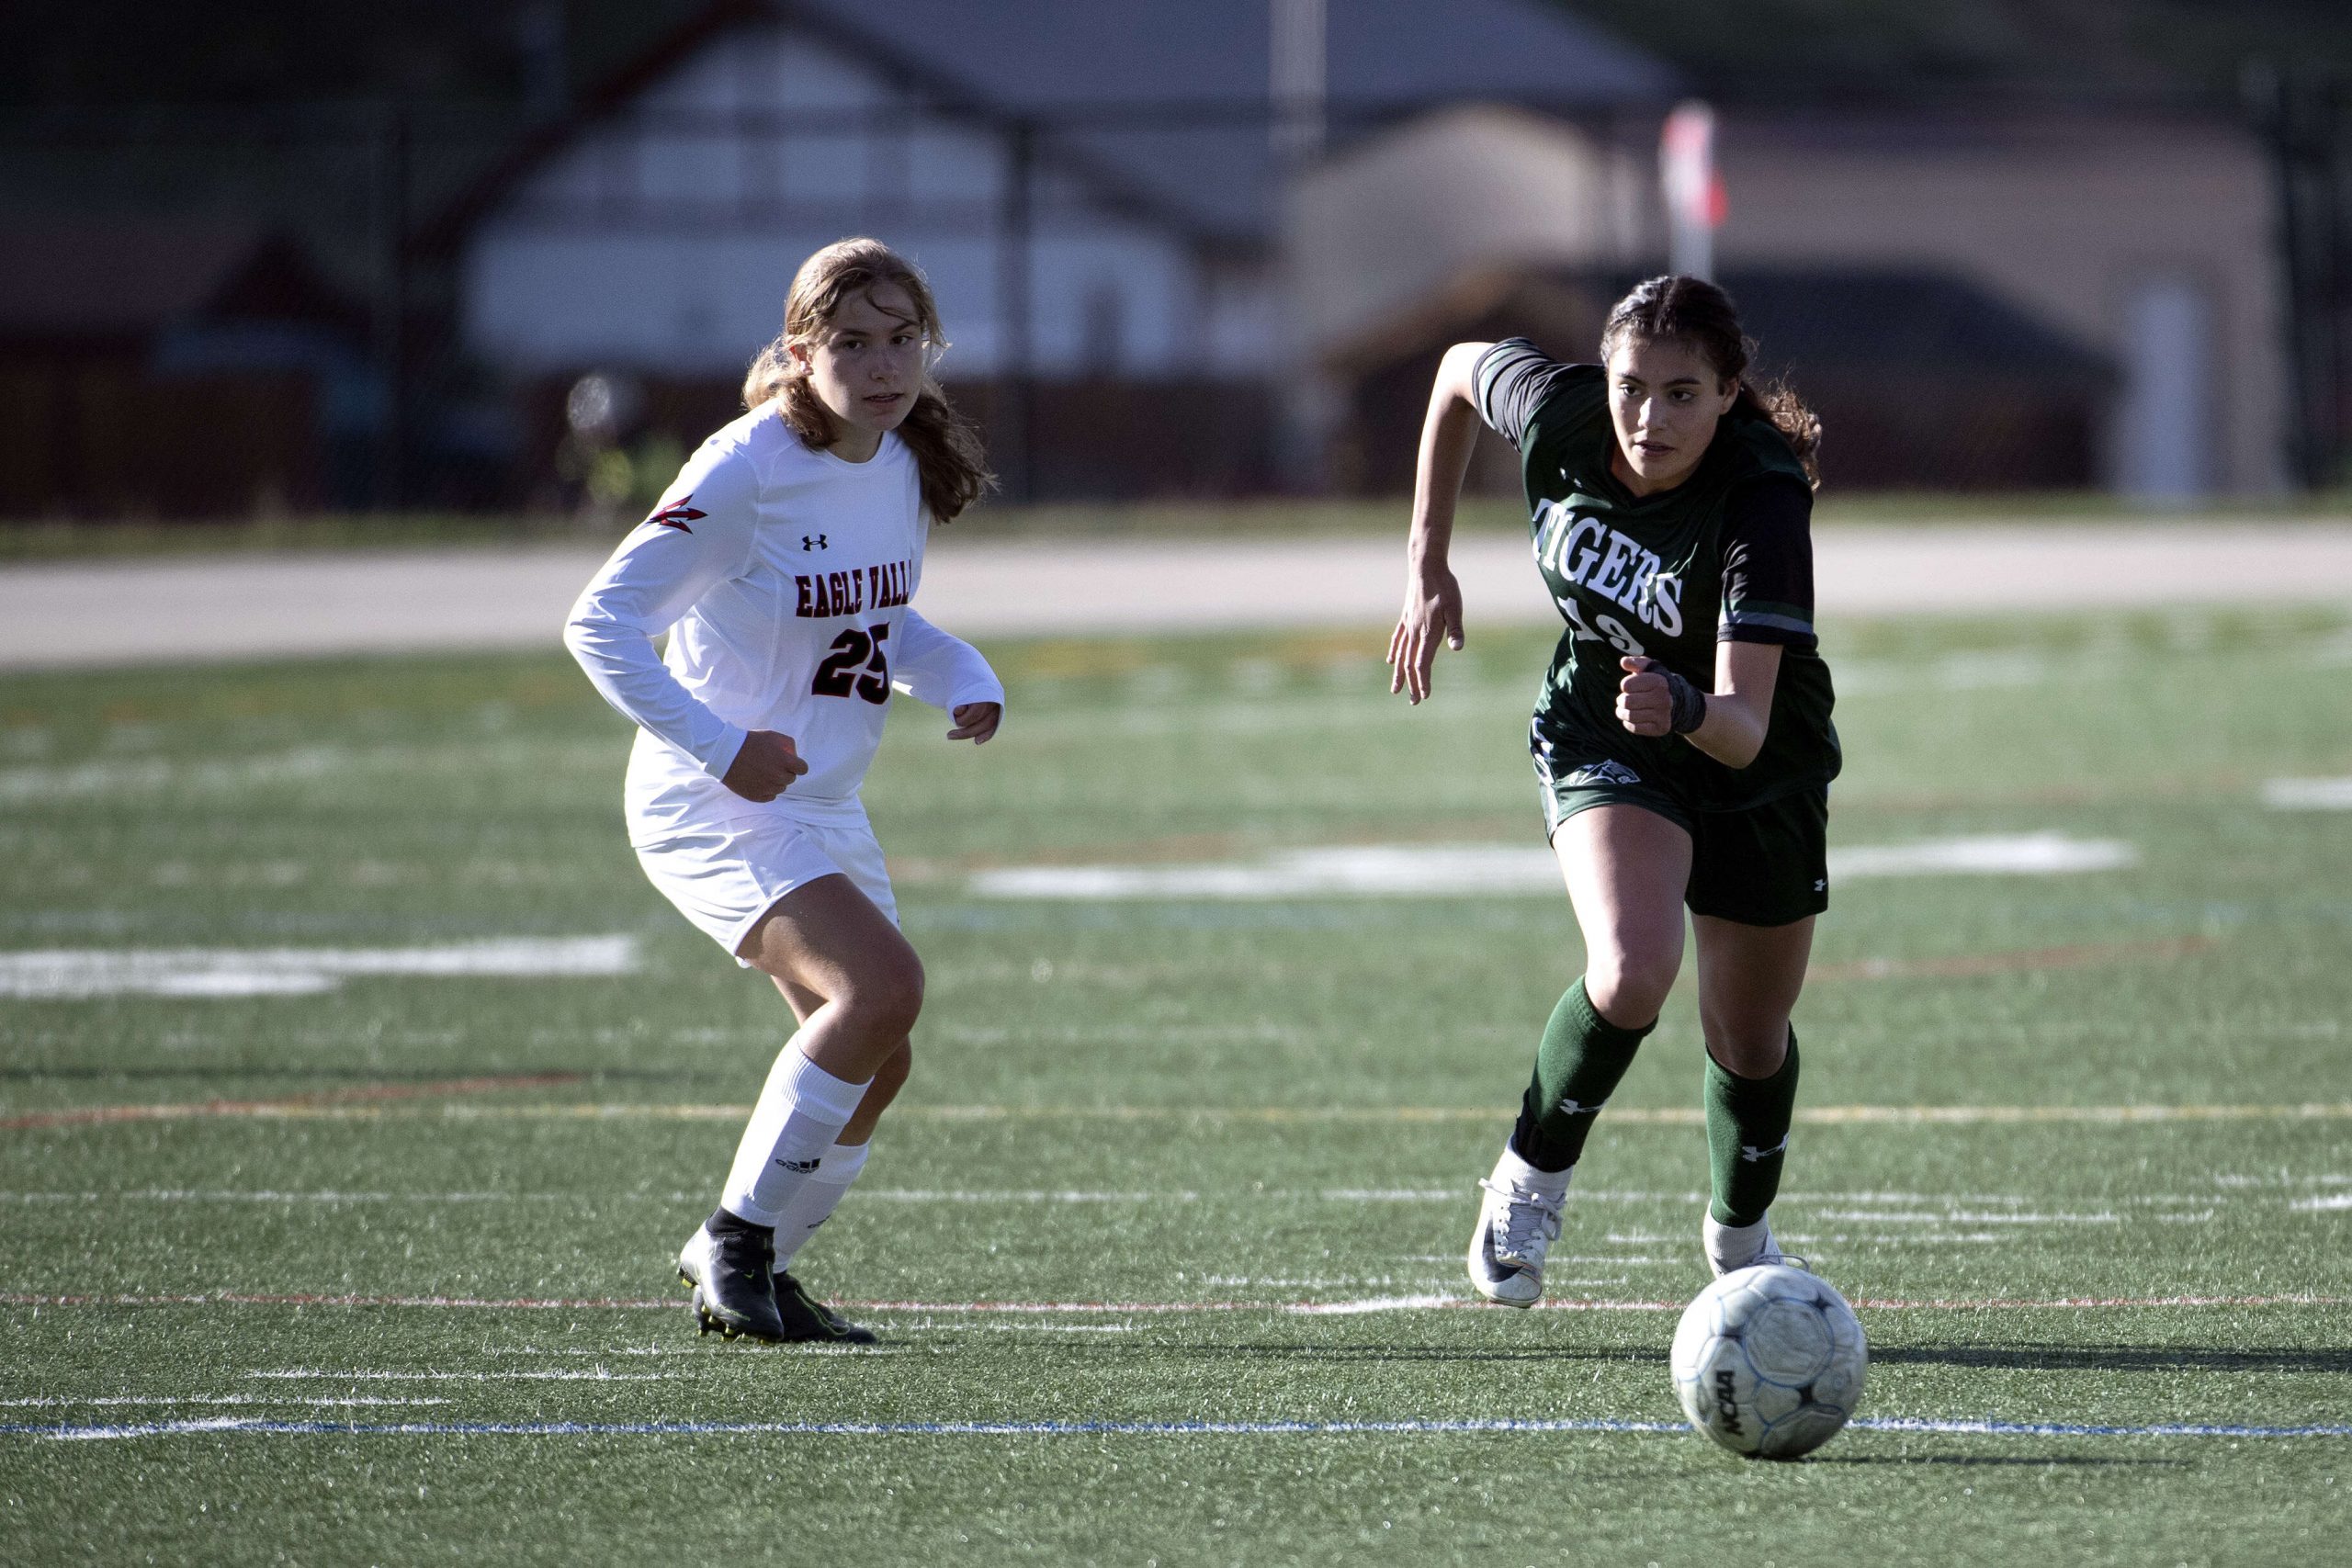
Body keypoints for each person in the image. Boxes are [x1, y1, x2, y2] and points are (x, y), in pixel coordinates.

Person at [564, 237, 1002, 1343]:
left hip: (815, 801)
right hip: (709, 799)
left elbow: (874, 621)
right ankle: (735, 1239)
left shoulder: (898, 459)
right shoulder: (745, 467)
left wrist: (960, 673)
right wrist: (717, 745)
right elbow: (598, 625)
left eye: (904, 339)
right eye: (853, 342)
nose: (884, 363)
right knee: (884, 989)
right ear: (801, 352)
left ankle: (760, 1267)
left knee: (879, 1054)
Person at [1385, 275, 1840, 1304]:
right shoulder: (1561, 412)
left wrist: (1681, 705)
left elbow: (1742, 725)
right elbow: (1458, 374)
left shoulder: (1760, 501)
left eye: (1682, 393)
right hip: (1606, 724)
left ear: (1729, 394)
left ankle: (1739, 1242)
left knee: (1749, 1036)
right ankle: (1525, 1181)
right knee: (1633, 967)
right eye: (1633, 386)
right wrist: (1426, 558)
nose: (1648, 417)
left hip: (1747, 753)